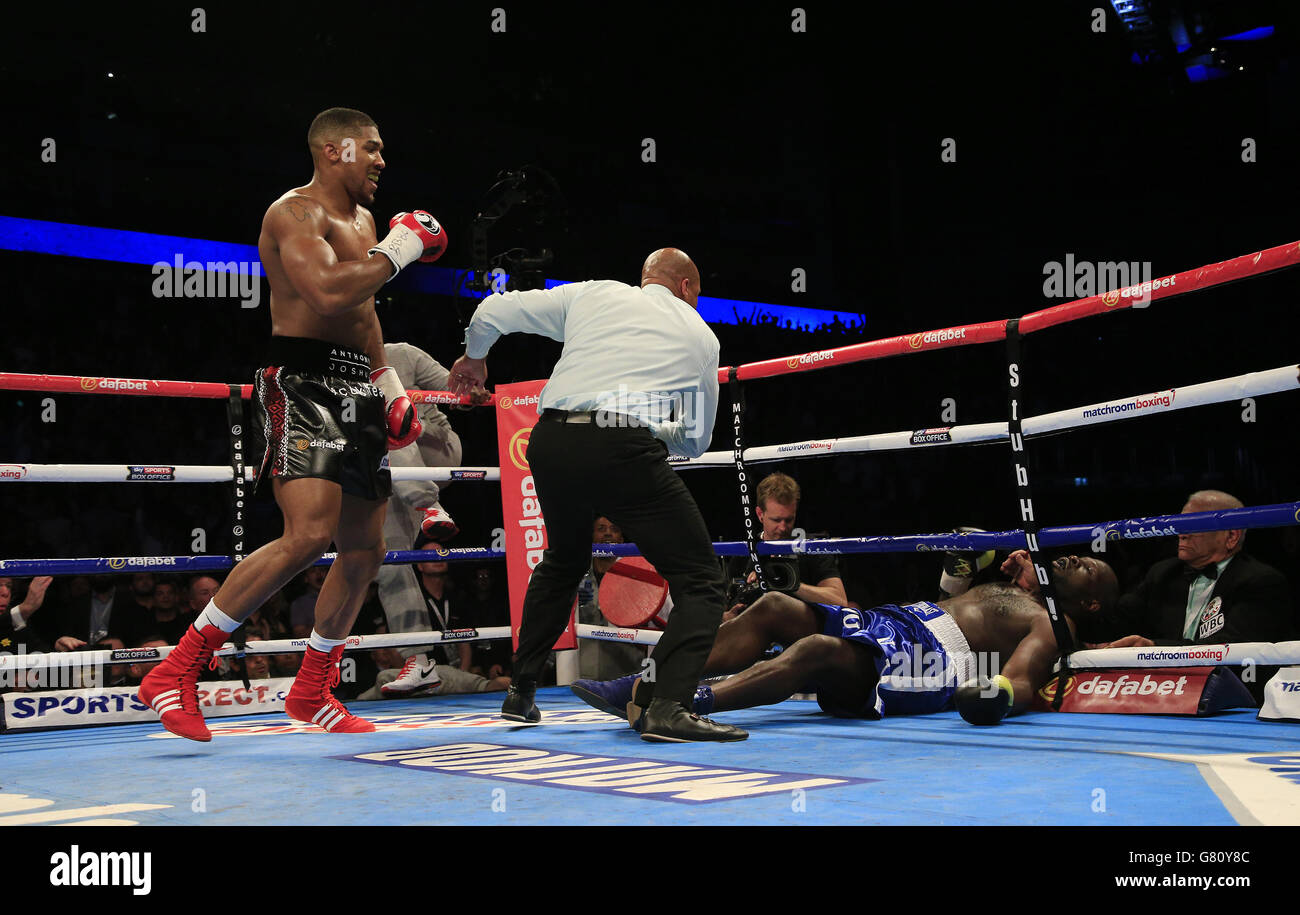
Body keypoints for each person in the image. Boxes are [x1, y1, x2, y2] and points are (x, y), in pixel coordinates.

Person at [139, 106, 448, 742]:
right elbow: (330, 293)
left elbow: (362, 315)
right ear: (334, 151)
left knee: (366, 548)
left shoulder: (363, 219)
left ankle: (312, 690)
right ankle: (178, 668)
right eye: (372, 148)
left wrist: (387, 382)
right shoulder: (293, 213)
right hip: (303, 384)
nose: (383, 161)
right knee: (309, 533)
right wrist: (403, 247)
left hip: (358, 386)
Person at [449, 247, 746, 742]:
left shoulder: (596, 293)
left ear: (645, 278)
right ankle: (667, 707)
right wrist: (650, 426)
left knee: (564, 560)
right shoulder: (700, 334)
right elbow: (695, 440)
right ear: (689, 288)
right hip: (621, 444)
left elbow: (490, 310)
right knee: (701, 581)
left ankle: (520, 692)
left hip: (550, 440)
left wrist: (474, 359)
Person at [572, 550, 1119, 728]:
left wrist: (994, 694)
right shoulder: (1013, 578)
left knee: (813, 652)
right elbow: (950, 582)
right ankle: (645, 682)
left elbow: (1023, 678)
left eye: (1088, 568)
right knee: (774, 606)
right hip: (902, 622)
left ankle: (684, 704)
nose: (1074, 558)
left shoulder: (1053, 622)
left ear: (1089, 602)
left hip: (934, 660)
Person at [375, 340, 488, 693]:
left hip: (434, 447)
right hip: (385, 472)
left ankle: (429, 504)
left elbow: (458, 388)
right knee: (388, 559)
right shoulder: (332, 373)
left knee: (392, 415)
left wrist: (475, 393)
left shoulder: (402, 354)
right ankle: (419, 662)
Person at [1089, 490, 1294, 649]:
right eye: (1179, 523)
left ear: (1231, 537)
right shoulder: (1162, 573)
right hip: (1162, 688)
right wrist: (1074, 602)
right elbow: (1118, 622)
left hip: (1230, 690)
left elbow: (1235, 647)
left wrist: (1156, 648)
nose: (1181, 533)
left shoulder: (1261, 581)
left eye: (1192, 524)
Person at [367, 539, 511, 698]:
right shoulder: (408, 599)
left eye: (441, 554)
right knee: (379, 683)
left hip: (450, 672)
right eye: (430, 555)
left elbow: (465, 642)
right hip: (416, 672)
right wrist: (409, 677)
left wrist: (461, 672)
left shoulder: (457, 598)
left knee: (502, 683)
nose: (437, 559)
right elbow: (394, 646)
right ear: (419, 565)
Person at [723, 473, 846, 621]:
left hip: (800, 632)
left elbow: (840, 601)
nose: (783, 527)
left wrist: (790, 583)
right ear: (760, 514)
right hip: (753, 633)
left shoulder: (811, 546)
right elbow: (726, 604)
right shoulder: (744, 552)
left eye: (789, 519)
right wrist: (728, 617)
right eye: (776, 520)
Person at [576, 516, 646, 679]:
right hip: (583, 671)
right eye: (601, 529)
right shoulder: (576, 574)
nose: (608, 534)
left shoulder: (639, 575)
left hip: (627, 671)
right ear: (592, 536)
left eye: (614, 530)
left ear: (621, 540)